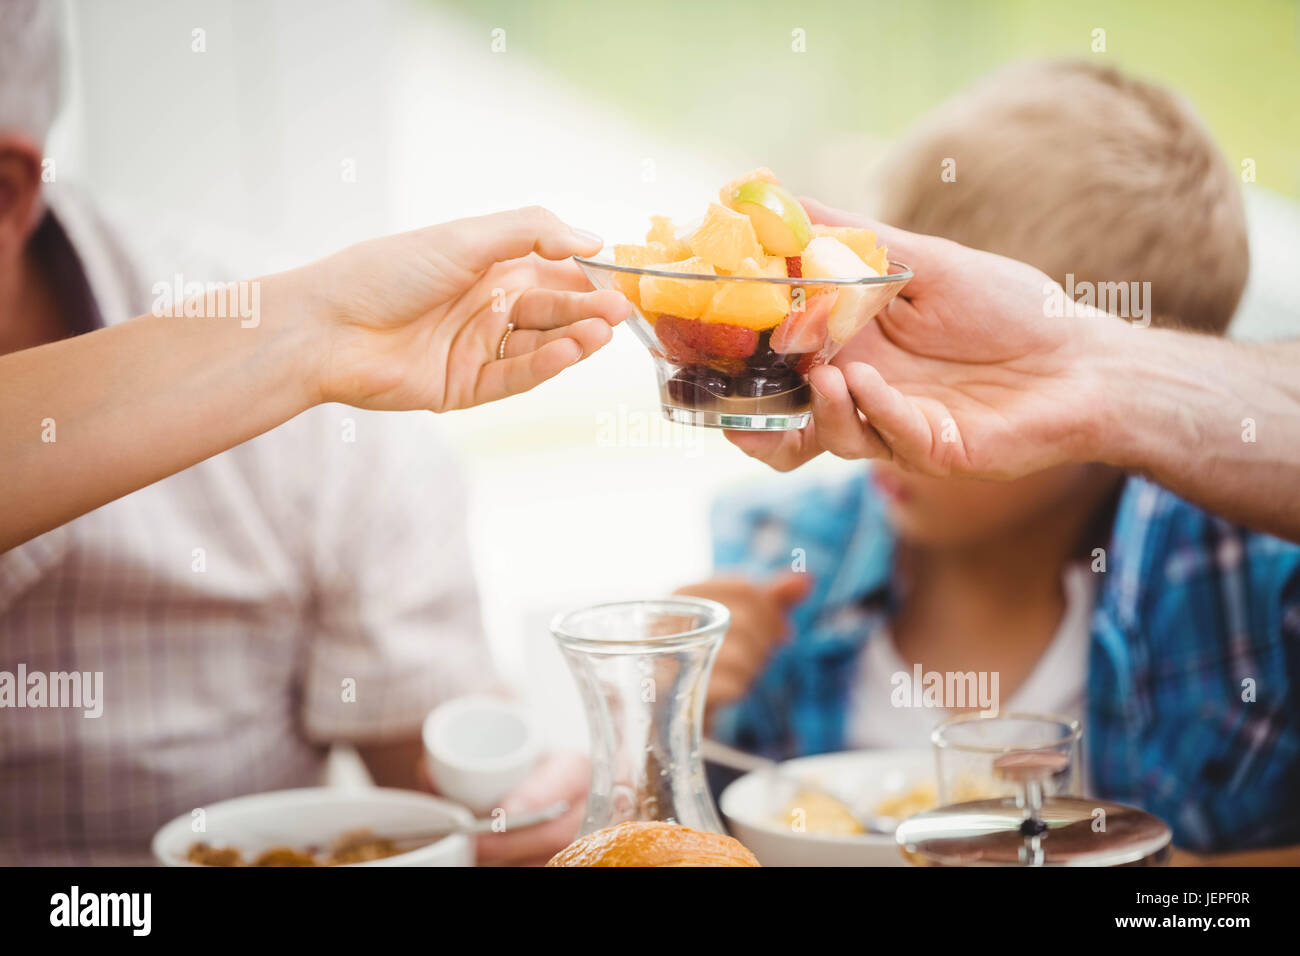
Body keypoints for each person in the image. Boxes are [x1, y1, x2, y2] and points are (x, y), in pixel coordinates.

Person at [0, 1, 618, 864]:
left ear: (6, 192)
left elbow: (439, 795)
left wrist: (515, 804)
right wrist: (313, 334)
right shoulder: (300, 340)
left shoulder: (319, 423)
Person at [682, 61, 1300, 859]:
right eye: (864, 319)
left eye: (939, 358)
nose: (867, 390)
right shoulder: (785, 561)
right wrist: (678, 710)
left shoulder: (1241, 589)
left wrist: (1167, 882)